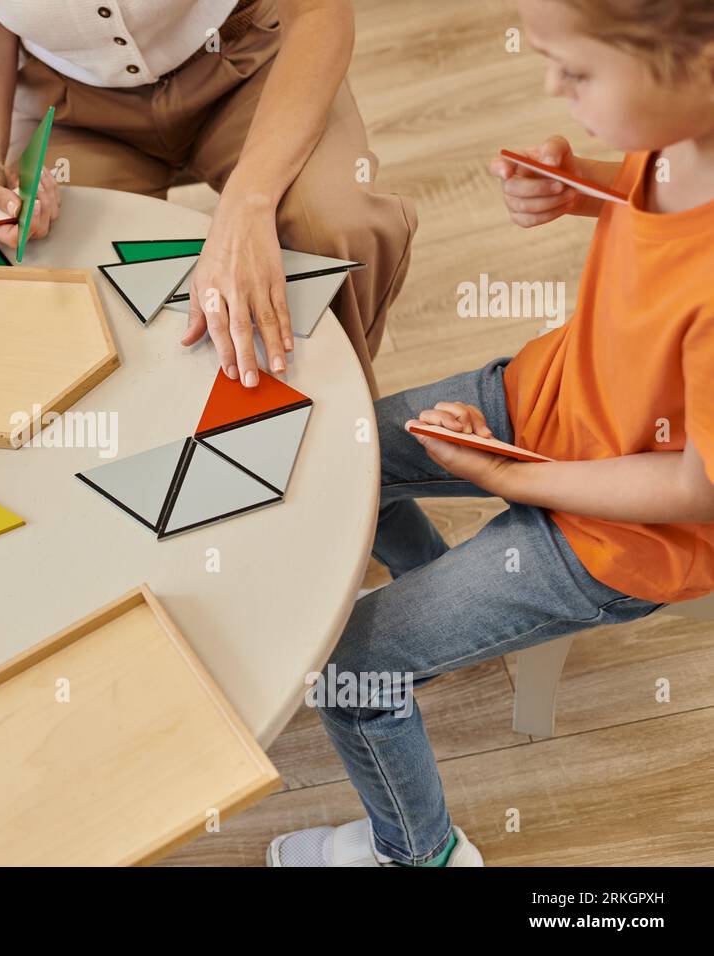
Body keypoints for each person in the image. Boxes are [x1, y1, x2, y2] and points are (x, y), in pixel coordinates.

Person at [269, 0, 714, 867]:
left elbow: (697, 487)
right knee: (346, 455)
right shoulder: (686, 132)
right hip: (546, 402)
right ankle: (441, 593)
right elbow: (664, 209)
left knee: (348, 674)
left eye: (576, 72)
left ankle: (419, 854)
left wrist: (515, 483)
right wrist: (586, 183)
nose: (550, 84)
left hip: (620, 537)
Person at [0, 0, 417, 396]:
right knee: (54, 291)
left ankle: (353, 440)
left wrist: (245, 209)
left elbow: (317, 10)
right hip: (72, 104)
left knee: (335, 229)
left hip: (246, 60)